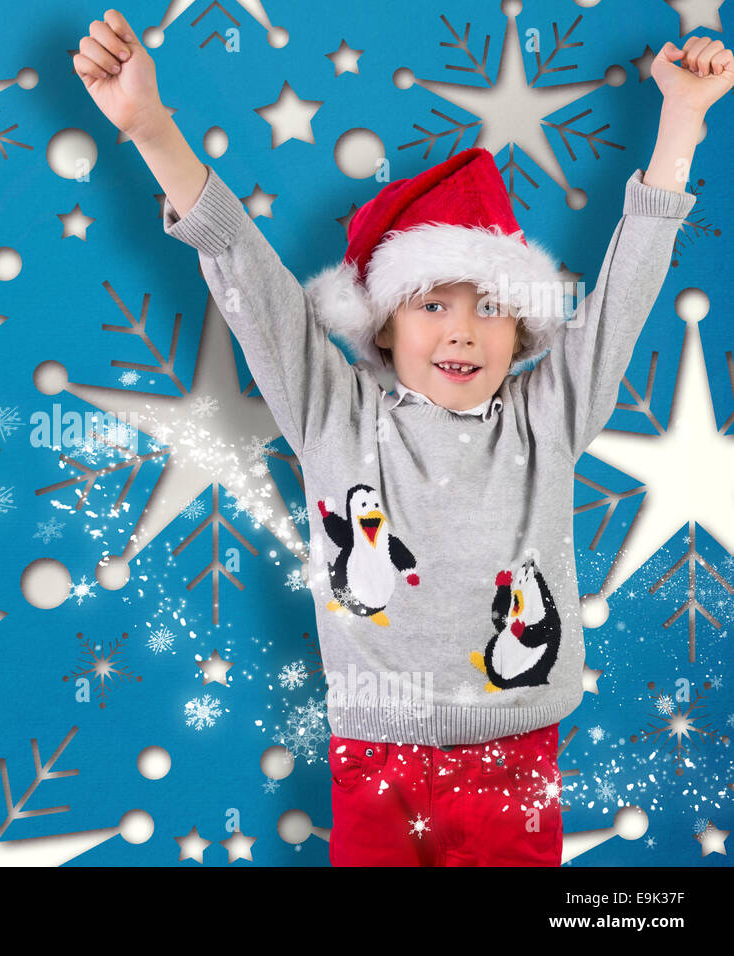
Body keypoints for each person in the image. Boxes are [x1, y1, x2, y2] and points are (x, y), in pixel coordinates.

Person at [73, 9, 731, 865]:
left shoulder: (548, 417)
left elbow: (627, 292)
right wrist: (151, 129)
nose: (462, 332)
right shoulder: (332, 412)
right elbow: (244, 271)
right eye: (433, 304)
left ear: (523, 330)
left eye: (489, 307)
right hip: (375, 763)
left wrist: (683, 120)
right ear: (383, 326)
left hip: (514, 761)